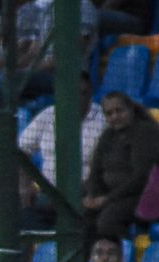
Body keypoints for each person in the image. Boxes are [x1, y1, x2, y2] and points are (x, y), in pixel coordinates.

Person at [83, 92, 159, 252]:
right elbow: (95, 171)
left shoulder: (145, 132)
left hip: (151, 195)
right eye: (109, 113)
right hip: (120, 196)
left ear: (131, 109)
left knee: (109, 218)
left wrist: (107, 199)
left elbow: (142, 177)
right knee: (83, 213)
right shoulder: (108, 135)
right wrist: (93, 195)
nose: (115, 116)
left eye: (120, 111)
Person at [18, 73, 102, 235]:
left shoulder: (103, 120)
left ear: (90, 92)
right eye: (72, 93)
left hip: (86, 199)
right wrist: (24, 186)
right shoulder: (48, 116)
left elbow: (110, 168)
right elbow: (21, 152)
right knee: (19, 222)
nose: (78, 98)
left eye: (83, 93)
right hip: (47, 197)